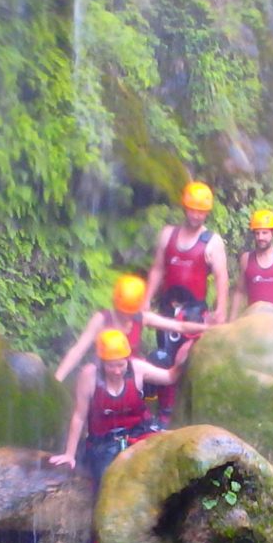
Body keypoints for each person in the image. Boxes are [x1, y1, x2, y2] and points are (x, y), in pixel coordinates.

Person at [49, 328, 188, 482]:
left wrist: (183, 355)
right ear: (101, 362)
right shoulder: (89, 376)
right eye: (111, 366)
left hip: (140, 432)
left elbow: (170, 377)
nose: (117, 371)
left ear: (127, 359)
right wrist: (69, 454)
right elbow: (79, 417)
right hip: (104, 442)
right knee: (106, 479)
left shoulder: (137, 368)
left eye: (121, 365)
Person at [54, 274, 206, 383]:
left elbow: (179, 326)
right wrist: (57, 379)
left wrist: (208, 328)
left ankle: (160, 413)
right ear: (115, 304)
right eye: (122, 311)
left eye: (130, 312)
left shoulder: (141, 317)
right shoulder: (101, 319)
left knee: (162, 362)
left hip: (131, 371)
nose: (126, 316)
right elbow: (78, 350)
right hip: (104, 373)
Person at [143, 181, 230, 326]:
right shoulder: (167, 234)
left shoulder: (212, 242)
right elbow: (157, 268)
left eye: (201, 212)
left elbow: (221, 277)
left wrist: (221, 309)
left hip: (195, 311)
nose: (196, 215)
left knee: (188, 349)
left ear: (207, 212)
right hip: (167, 307)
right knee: (164, 347)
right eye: (192, 210)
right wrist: (146, 298)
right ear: (185, 208)